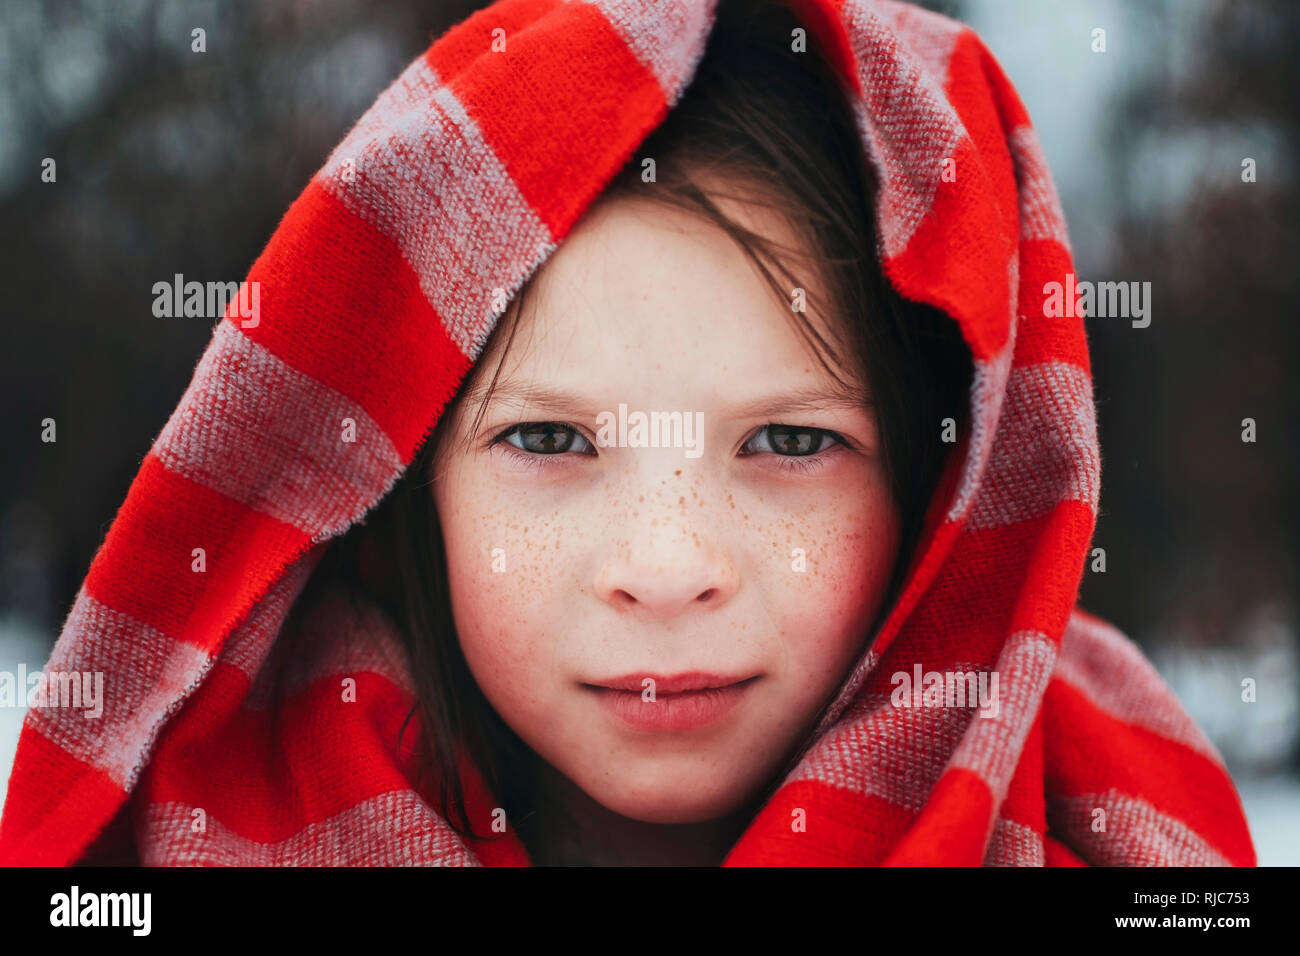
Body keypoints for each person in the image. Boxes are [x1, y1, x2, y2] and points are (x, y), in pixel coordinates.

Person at [0, 0, 1255, 866]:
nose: (663, 568)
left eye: (786, 444)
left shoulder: (1129, 833)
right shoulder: (195, 839)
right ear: (404, 486)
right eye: (549, 443)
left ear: (941, 489)